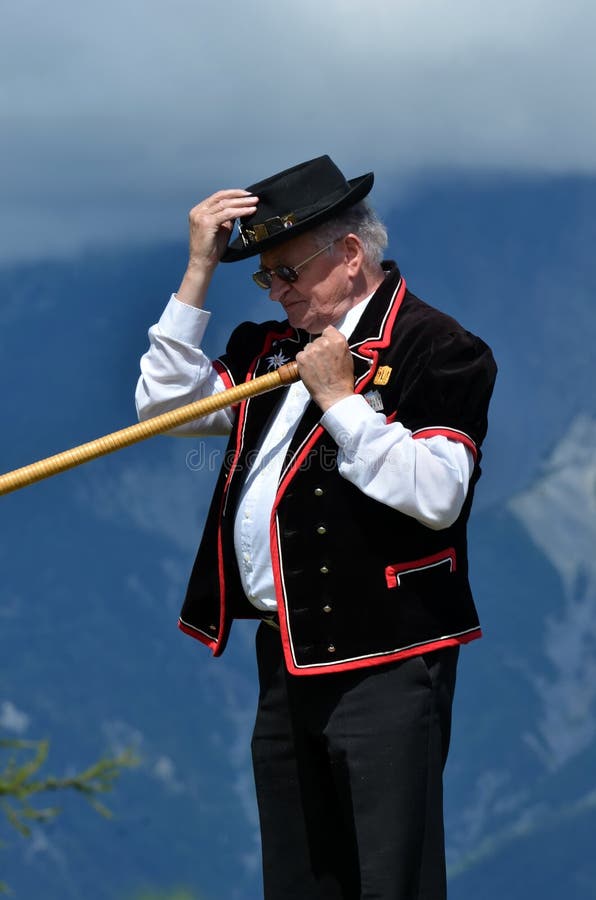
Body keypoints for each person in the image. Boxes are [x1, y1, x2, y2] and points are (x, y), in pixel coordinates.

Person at [135, 155, 497, 900]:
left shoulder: (440, 347)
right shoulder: (271, 349)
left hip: (390, 661)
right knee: (299, 880)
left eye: (287, 273)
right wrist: (199, 268)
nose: (277, 291)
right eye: (265, 279)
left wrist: (339, 398)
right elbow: (163, 407)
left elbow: (436, 496)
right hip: (287, 657)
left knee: (389, 881)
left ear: (351, 255)